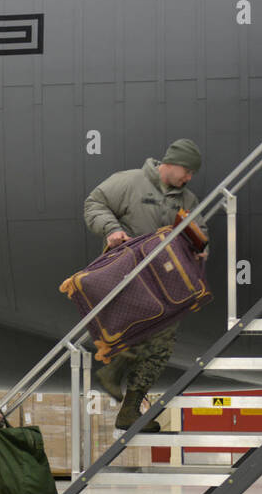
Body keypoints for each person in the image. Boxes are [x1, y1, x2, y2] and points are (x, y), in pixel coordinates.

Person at [83, 140, 208, 432]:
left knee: (162, 344)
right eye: (186, 171)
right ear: (171, 163)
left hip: (166, 281)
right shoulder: (128, 182)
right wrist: (112, 229)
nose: (188, 178)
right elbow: (94, 203)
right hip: (129, 274)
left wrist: (202, 247)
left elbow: (201, 229)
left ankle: (128, 405)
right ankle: (115, 377)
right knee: (145, 328)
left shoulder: (186, 199)